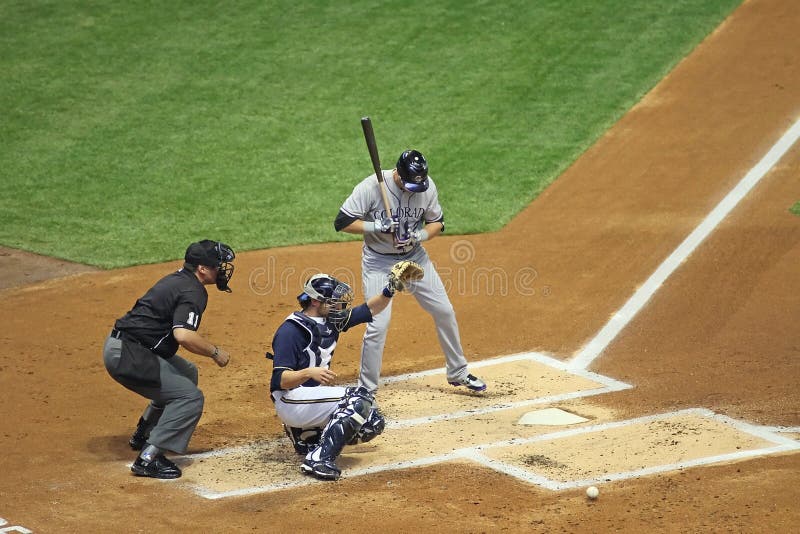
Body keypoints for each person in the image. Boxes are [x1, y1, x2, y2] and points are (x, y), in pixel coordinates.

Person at [334, 149, 487, 393]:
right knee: (378, 324)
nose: (413, 190)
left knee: (444, 311)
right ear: (398, 173)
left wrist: (419, 235)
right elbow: (342, 222)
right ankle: (366, 391)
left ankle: (457, 371)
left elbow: (437, 222)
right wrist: (377, 225)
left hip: (415, 257)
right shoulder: (371, 187)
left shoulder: (427, 187)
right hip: (378, 262)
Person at [102, 240, 235, 479]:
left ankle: (145, 432)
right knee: (190, 398)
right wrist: (215, 353)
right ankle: (148, 458)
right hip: (129, 355)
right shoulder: (193, 291)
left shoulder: (180, 279)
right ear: (202, 269)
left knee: (187, 373)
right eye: (217, 265)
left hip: (125, 347)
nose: (221, 270)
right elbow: (183, 335)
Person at [268, 272, 404, 481]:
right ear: (315, 301)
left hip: (311, 399)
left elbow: (369, 309)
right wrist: (308, 372)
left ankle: (306, 435)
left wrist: (389, 290)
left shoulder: (331, 320)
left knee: (372, 422)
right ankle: (318, 460)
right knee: (358, 400)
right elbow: (280, 380)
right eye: (333, 301)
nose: (339, 305)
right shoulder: (291, 331)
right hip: (290, 399)